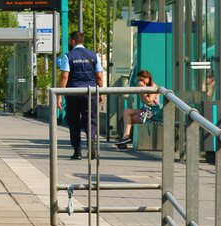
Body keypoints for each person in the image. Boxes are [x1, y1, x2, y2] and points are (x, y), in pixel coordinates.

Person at [56, 30, 105, 160]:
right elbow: (99, 76)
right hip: (90, 92)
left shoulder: (68, 56)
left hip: (73, 93)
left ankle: (77, 151)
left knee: (73, 121)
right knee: (91, 119)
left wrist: (59, 95)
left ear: (73, 41)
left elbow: (65, 75)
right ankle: (92, 143)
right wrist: (101, 92)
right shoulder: (94, 56)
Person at [116, 69, 160, 148]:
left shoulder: (154, 87)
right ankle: (125, 138)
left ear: (147, 78)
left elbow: (149, 101)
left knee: (129, 119)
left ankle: (125, 139)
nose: (140, 82)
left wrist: (143, 89)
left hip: (152, 112)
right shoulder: (144, 87)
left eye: (142, 80)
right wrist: (141, 90)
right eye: (139, 80)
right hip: (144, 109)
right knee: (126, 112)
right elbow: (143, 100)